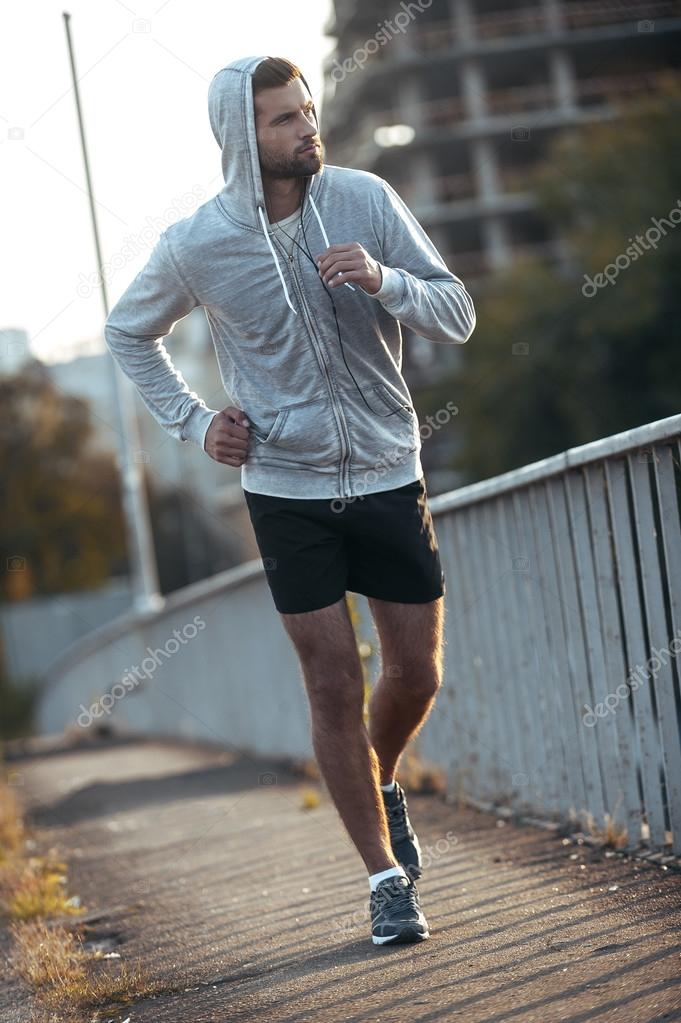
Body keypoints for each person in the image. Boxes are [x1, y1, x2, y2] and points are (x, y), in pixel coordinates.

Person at [104, 55, 476, 945]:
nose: (307, 129)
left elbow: (456, 311)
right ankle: (385, 878)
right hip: (284, 489)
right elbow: (127, 330)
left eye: (307, 112)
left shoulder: (364, 199)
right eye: (283, 119)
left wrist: (384, 281)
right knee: (330, 677)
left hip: (389, 471)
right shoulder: (197, 244)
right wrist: (196, 426)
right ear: (243, 136)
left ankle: (379, 782)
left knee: (414, 670)